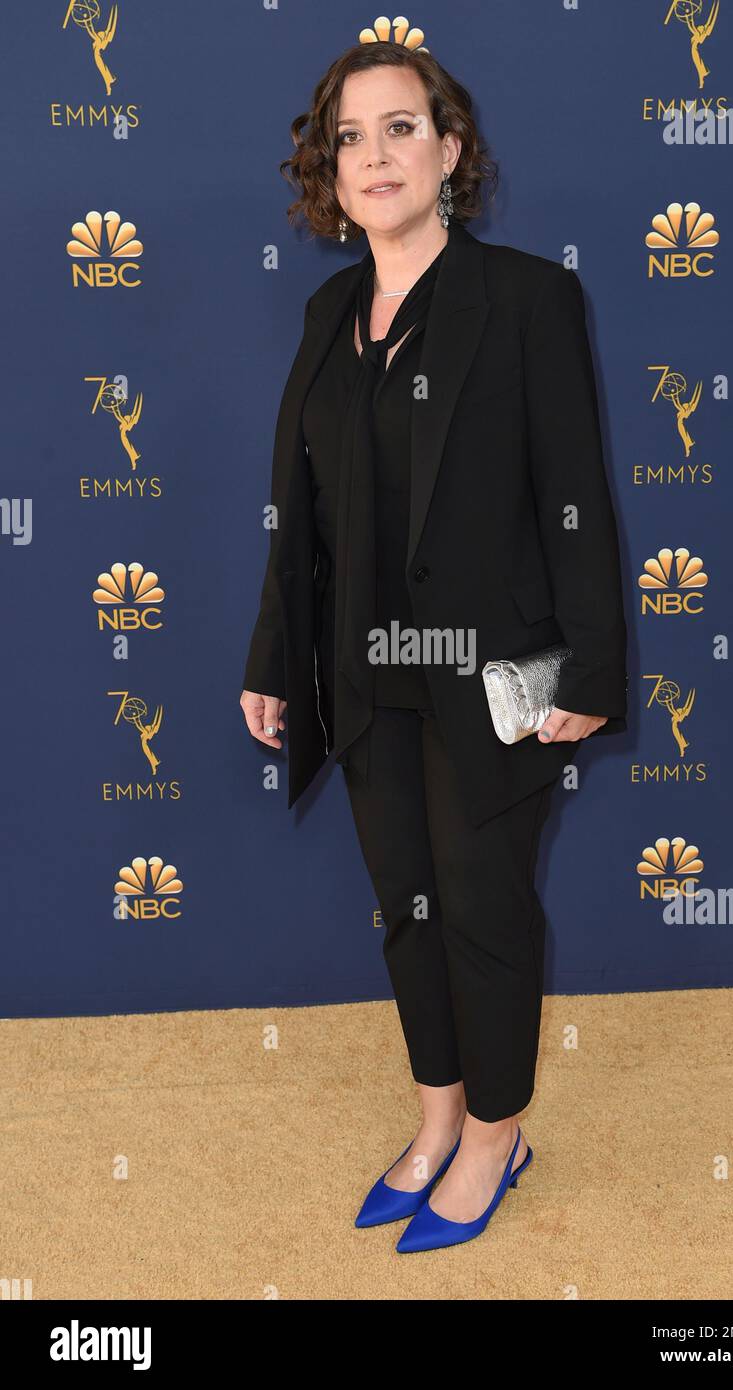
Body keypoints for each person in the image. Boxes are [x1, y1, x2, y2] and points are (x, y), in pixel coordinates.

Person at [240, 35, 627, 1253]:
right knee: (406, 907)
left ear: (449, 150)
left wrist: (590, 667)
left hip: (494, 673)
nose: (374, 155)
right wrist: (274, 656)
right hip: (366, 673)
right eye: (349, 137)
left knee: (480, 906)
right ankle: (438, 1118)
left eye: (400, 128)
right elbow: (303, 509)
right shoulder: (328, 313)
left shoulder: (526, 300)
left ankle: (498, 1136)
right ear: (328, 170)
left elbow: (574, 495)